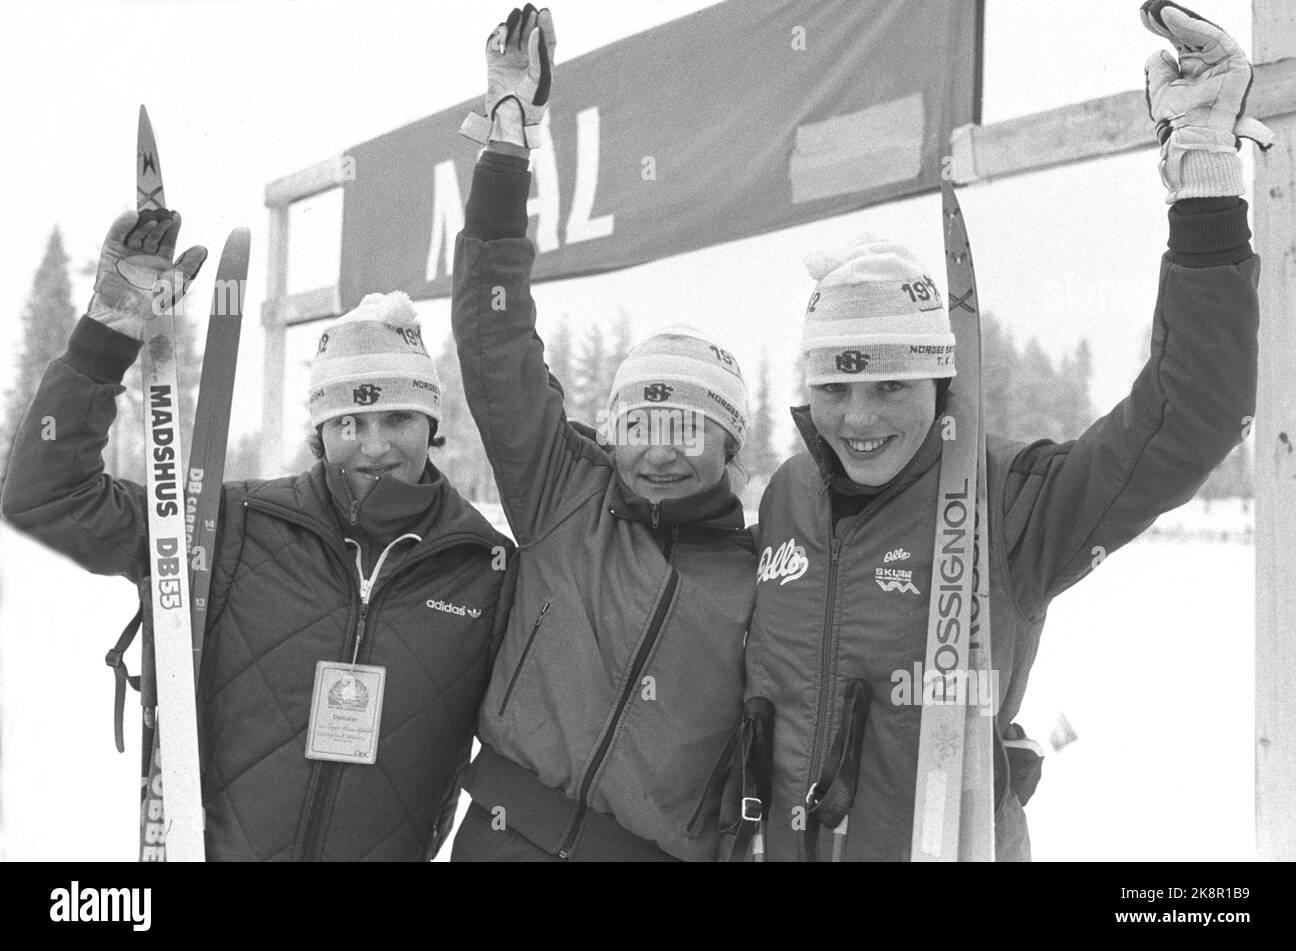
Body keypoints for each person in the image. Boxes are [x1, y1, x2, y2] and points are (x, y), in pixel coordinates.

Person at [736, 0, 1265, 861]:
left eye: (891, 385)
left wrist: (1203, 174)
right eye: (835, 384)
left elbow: (1193, 413)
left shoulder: (1009, 499)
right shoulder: (788, 496)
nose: (858, 419)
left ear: (943, 382)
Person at [1, 211, 515, 861]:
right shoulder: (234, 527)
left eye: (398, 417)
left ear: (432, 421)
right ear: (320, 429)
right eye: (351, 420)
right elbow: (47, 499)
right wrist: (106, 336)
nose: (376, 444)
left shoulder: (486, 569)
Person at [447, 5, 756, 861]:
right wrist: (508, 147)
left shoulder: (760, 576)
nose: (657, 448)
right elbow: (492, 341)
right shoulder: (565, 493)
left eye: (686, 427)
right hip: (504, 833)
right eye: (636, 424)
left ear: (732, 446)